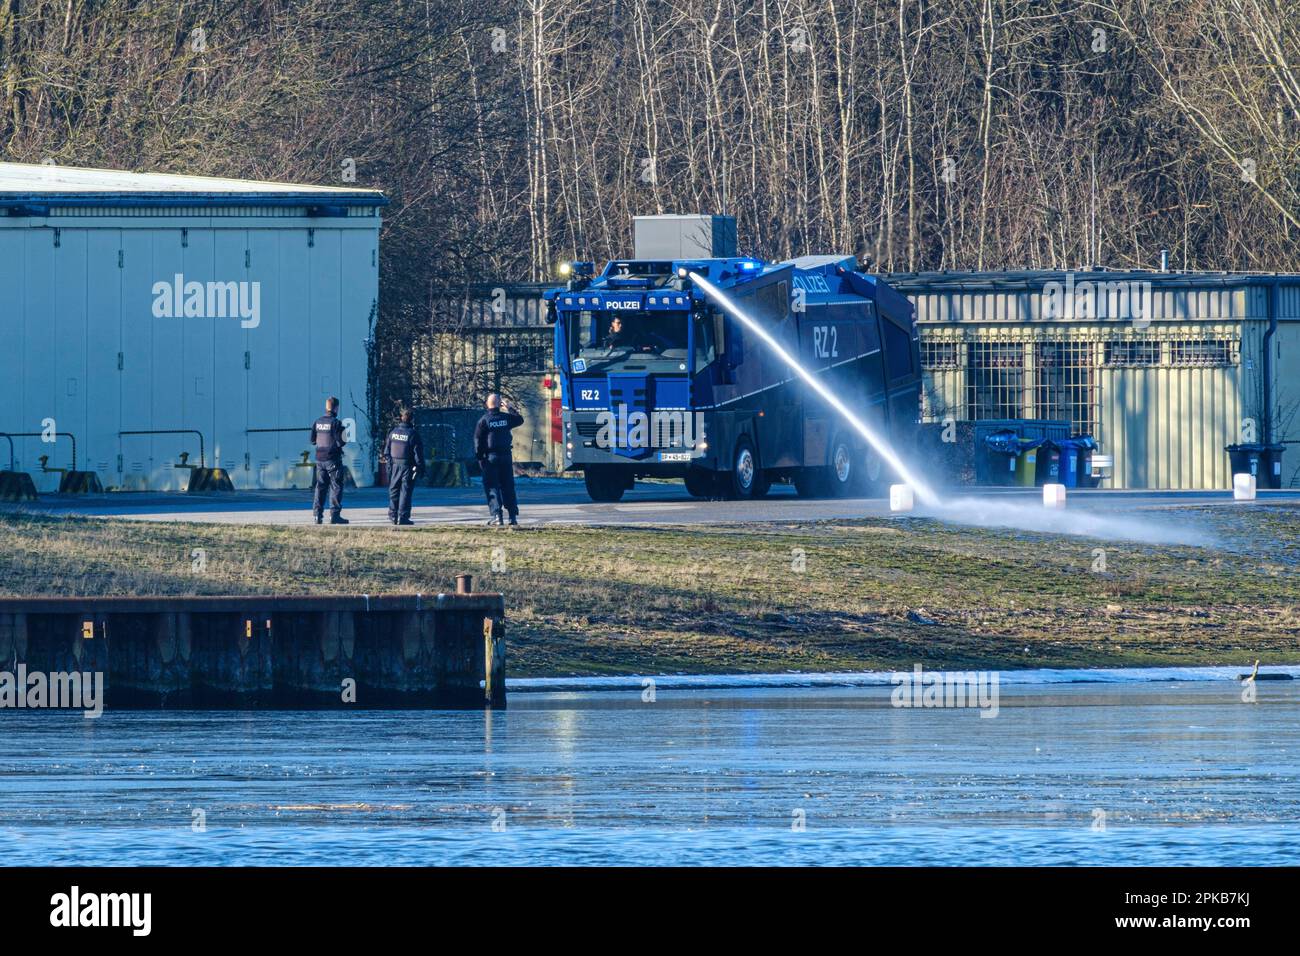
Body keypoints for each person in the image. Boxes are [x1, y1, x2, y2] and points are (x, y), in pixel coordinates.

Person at [474, 393, 524, 526]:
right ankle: (512, 517)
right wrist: (510, 408)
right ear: (499, 404)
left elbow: (478, 442)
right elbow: (519, 420)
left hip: (491, 458)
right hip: (506, 457)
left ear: (487, 404)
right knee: (508, 486)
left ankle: (497, 516)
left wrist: (480, 459)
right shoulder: (506, 418)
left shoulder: (484, 421)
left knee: (492, 487)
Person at [310, 397, 348, 524]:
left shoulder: (317, 422)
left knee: (320, 486)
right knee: (336, 486)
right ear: (336, 408)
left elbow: (312, 440)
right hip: (332, 460)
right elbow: (342, 442)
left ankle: (317, 515)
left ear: (326, 407)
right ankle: (334, 515)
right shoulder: (336, 423)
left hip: (319, 459)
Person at [383, 409, 424, 526]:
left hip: (394, 465)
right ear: (412, 419)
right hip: (408, 466)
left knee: (394, 490)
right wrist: (420, 468)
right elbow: (418, 454)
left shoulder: (393, 433)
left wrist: (390, 465)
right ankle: (403, 517)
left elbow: (386, 451)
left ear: (401, 418)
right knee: (405, 491)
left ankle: (392, 515)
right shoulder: (413, 434)